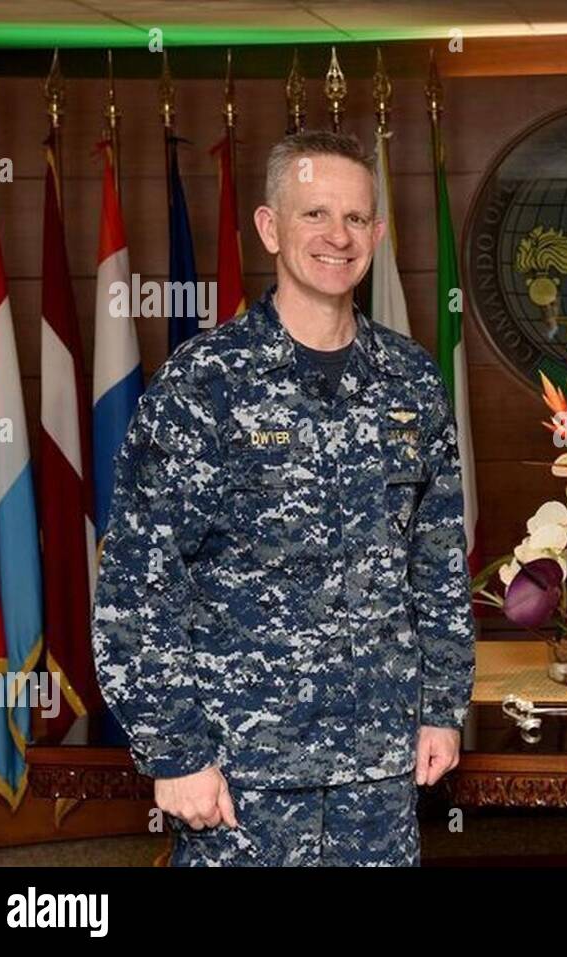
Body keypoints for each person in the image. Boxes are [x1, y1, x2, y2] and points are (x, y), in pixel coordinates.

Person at [92, 131, 475, 866]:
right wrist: (174, 751)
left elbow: (436, 565)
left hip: (379, 769)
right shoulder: (205, 383)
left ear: (378, 233)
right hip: (241, 773)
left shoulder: (411, 382)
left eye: (356, 219)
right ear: (270, 228)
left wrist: (442, 710)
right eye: (315, 215)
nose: (338, 236)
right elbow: (139, 583)